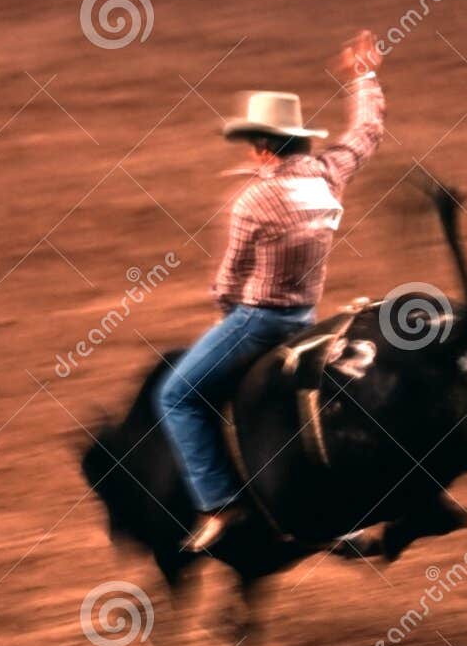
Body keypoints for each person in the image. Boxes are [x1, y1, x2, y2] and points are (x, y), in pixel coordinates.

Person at [157, 30, 386, 552]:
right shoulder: (330, 174)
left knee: (177, 395)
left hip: (258, 321)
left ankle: (218, 504)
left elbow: (228, 282)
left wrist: (228, 319)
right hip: (307, 320)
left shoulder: (252, 200)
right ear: (300, 139)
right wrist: (364, 75)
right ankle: (340, 521)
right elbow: (367, 132)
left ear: (262, 146)